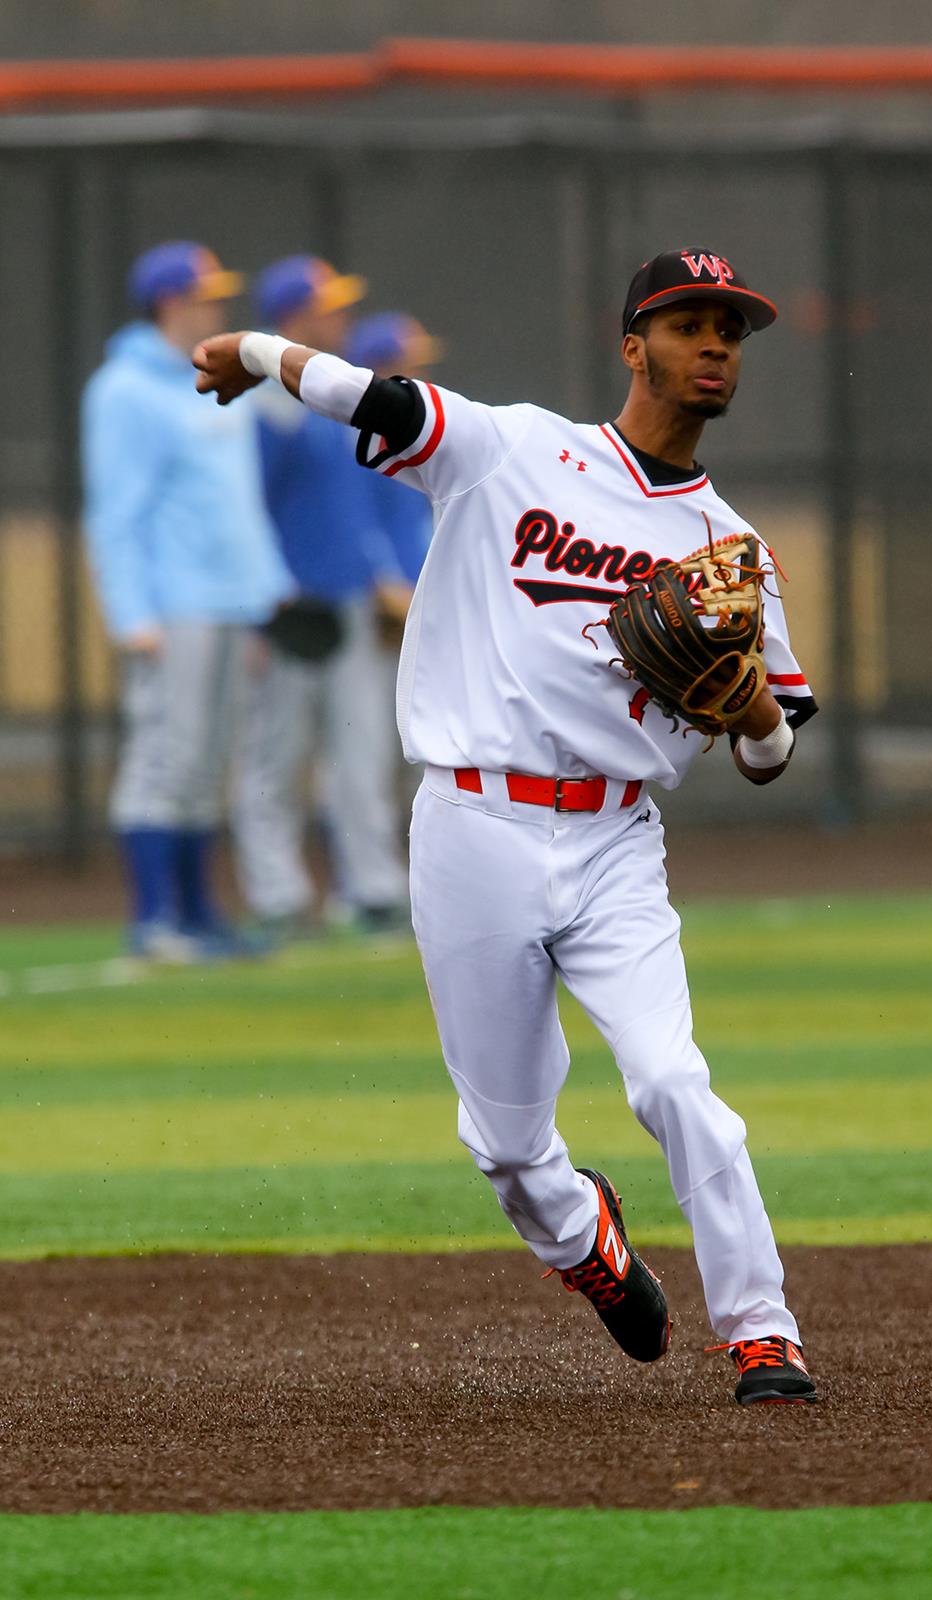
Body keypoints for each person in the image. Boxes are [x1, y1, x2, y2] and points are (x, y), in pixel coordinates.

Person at [193, 248, 821, 1406]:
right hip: (472, 825)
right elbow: (371, 398)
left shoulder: (733, 551)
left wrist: (751, 723)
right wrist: (253, 354)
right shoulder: (515, 450)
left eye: (731, 330)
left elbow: (776, 744)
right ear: (634, 344)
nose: (716, 346)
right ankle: (585, 1238)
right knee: (507, 1148)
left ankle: (762, 1333)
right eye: (689, 324)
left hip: (615, 840)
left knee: (676, 1082)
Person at [82, 241, 291, 960]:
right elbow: (117, 512)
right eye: (207, 294)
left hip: (233, 600)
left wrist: (264, 597)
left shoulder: (210, 376)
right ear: (172, 301)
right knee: (164, 759)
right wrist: (131, 614)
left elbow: (239, 503)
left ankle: (199, 915)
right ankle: (157, 919)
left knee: (209, 764)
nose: (219, 306)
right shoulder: (124, 388)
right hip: (174, 606)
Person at [232, 261, 429, 937]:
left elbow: (357, 510)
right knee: (275, 758)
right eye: (327, 308)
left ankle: (372, 889)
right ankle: (277, 895)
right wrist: (263, 599)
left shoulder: (329, 401)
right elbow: (244, 507)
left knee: (361, 752)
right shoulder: (266, 403)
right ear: (293, 318)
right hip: (288, 609)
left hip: (347, 601)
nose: (340, 319)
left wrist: (380, 580)